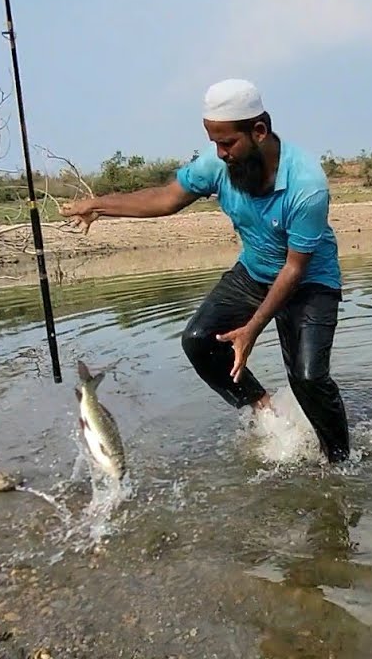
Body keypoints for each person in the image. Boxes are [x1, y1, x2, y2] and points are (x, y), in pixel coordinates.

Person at [59, 78, 350, 463]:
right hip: (255, 272)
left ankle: (340, 463)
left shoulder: (306, 184)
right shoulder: (218, 165)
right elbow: (166, 198)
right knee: (198, 341)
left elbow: (295, 269)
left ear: (259, 131)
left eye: (227, 143)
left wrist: (251, 330)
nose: (220, 153)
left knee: (309, 378)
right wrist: (100, 205)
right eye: (214, 142)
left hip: (310, 281)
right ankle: (265, 409)